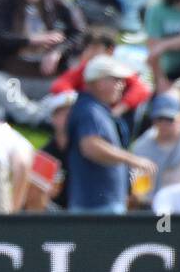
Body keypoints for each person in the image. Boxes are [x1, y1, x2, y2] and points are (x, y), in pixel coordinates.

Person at [66, 54, 156, 213]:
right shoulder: (89, 110)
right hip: (94, 208)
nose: (122, 86)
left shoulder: (96, 109)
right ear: (100, 82)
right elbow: (90, 146)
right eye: (116, 80)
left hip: (101, 205)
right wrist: (133, 160)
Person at [130, 91, 180, 198]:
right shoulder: (142, 147)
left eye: (169, 119)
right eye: (159, 119)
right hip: (151, 207)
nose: (164, 124)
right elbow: (139, 191)